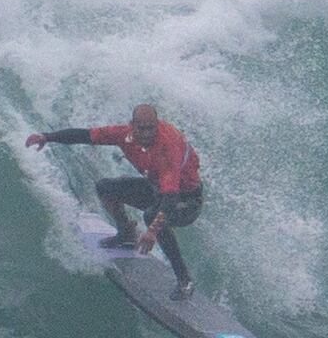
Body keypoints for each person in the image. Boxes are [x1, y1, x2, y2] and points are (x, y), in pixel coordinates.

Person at [25, 104, 203, 300]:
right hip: (157, 190)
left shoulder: (168, 145)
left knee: (152, 215)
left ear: (158, 125)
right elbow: (85, 136)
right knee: (106, 187)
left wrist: (152, 231)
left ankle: (185, 281)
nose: (146, 133)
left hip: (186, 201)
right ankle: (126, 233)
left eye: (151, 128)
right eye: (141, 128)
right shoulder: (123, 135)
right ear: (132, 125)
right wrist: (47, 137)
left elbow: (170, 199)